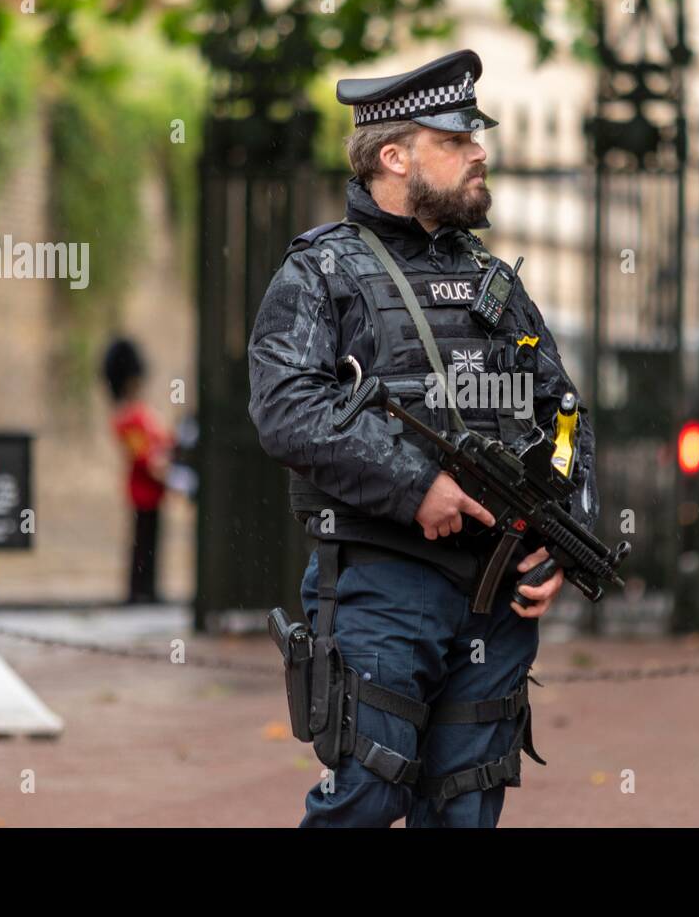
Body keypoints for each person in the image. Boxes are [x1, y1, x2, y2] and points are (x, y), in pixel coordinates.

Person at [248, 49, 599, 827]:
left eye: (477, 135)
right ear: (394, 155)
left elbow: (564, 414)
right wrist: (416, 488)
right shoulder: (322, 271)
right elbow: (286, 406)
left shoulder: (493, 284)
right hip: (385, 584)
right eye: (456, 138)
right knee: (368, 794)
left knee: (465, 808)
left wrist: (565, 537)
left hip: (497, 594)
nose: (479, 151)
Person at [102, 337, 172, 605]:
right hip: (143, 488)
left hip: (153, 489)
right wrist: (162, 468)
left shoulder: (140, 413)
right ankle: (138, 590)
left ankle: (148, 588)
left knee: (151, 541)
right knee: (142, 543)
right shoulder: (128, 417)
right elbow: (142, 454)